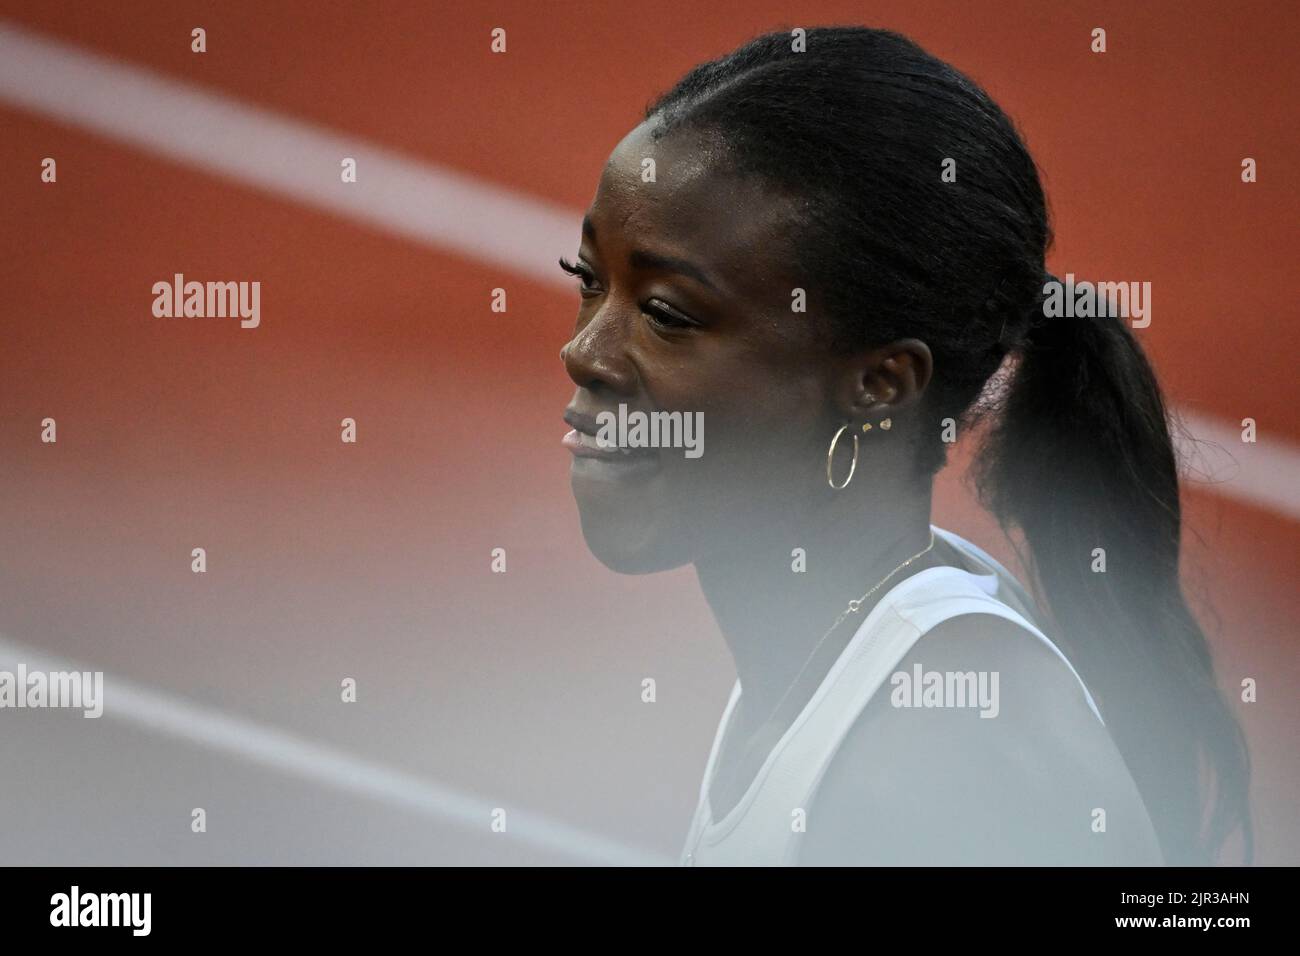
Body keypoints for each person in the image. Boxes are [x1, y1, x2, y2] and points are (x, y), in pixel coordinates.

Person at [558, 26, 1249, 866]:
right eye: (588, 279)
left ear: (881, 384)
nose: (585, 352)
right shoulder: (839, 645)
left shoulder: (932, 766)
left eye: (667, 313)